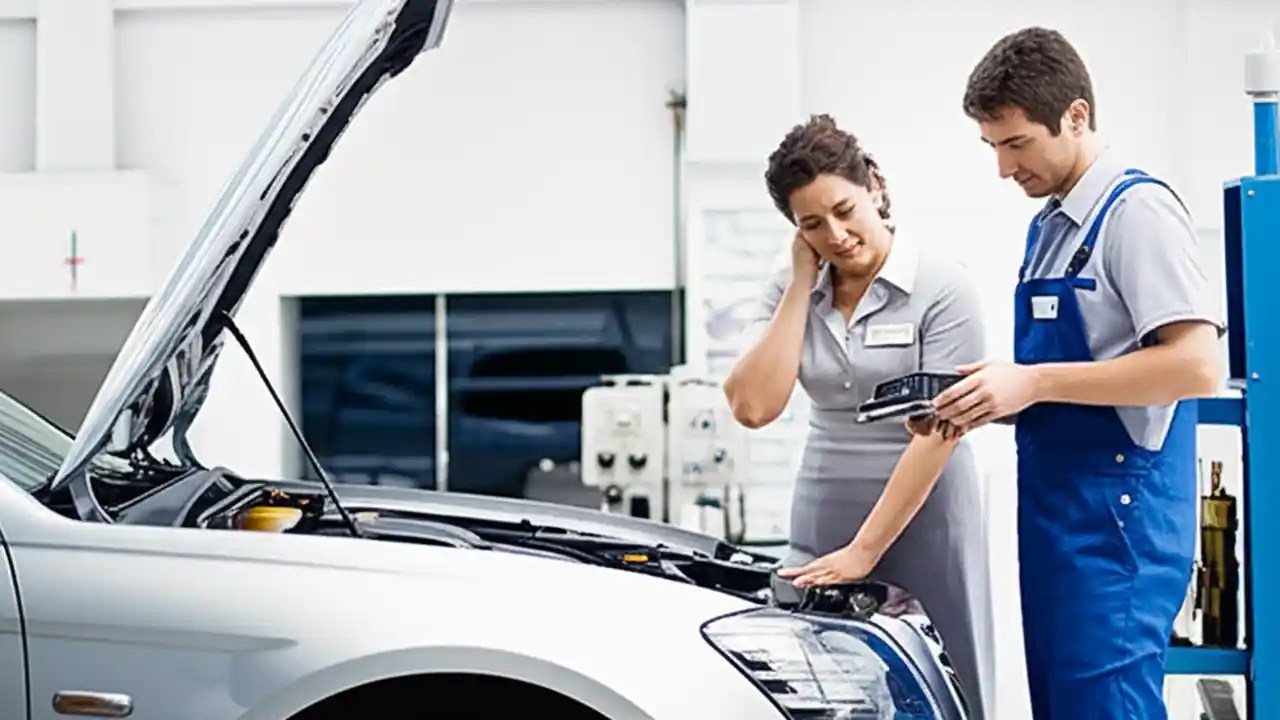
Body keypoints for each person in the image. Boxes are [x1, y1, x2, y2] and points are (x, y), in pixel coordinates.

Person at [933, 27, 1224, 719]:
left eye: (1016, 143)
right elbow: (1073, 374)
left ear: (1076, 117)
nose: (1004, 168)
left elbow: (1197, 364)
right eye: (992, 147)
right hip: (1059, 524)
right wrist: (992, 394)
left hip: (1118, 529)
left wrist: (1033, 383)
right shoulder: (1052, 226)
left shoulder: (1137, 214)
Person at [723, 113, 993, 719]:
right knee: (822, 687)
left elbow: (942, 432)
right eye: (812, 224)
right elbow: (753, 406)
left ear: (875, 185)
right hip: (825, 503)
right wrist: (799, 287)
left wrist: (865, 551)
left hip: (929, 510)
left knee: (947, 681)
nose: (837, 235)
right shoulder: (792, 285)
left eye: (845, 210)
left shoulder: (943, 286)